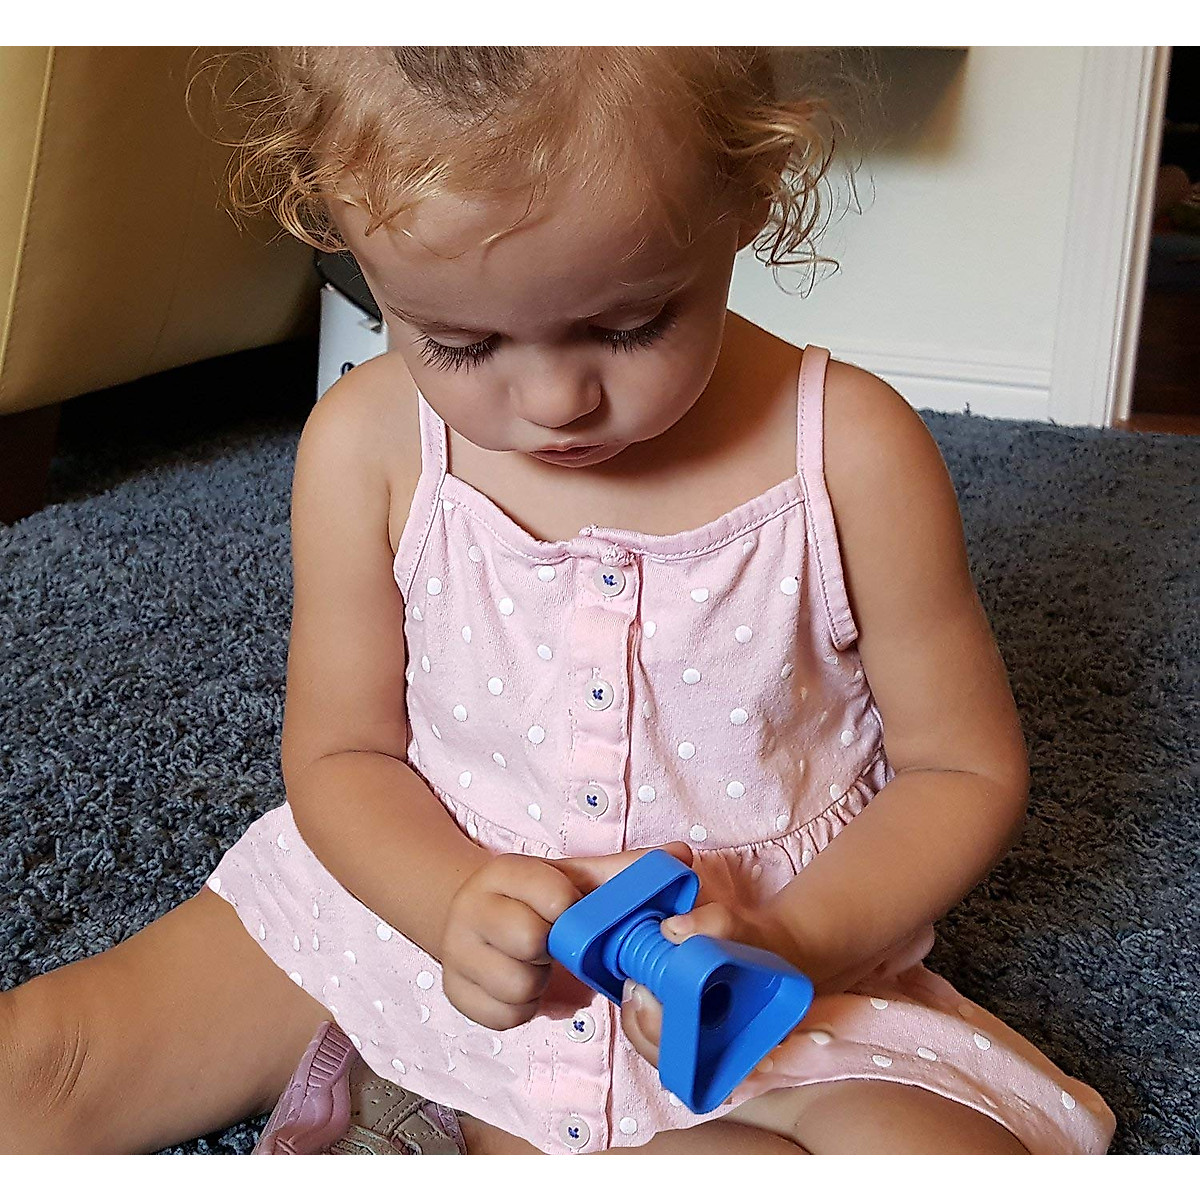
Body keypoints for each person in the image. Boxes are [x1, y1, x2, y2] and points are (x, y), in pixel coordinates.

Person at [0, 46, 1116, 1155]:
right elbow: (342, 754)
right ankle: (425, 1081)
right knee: (48, 1065)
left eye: (628, 326)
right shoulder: (367, 448)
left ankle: (468, 1124)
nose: (554, 401)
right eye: (459, 342)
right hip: (406, 906)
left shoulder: (851, 453)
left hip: (750, 971)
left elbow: (959, 771)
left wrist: (795, 939)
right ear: (344, 236)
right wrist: (444, 904)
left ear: (747, 192)